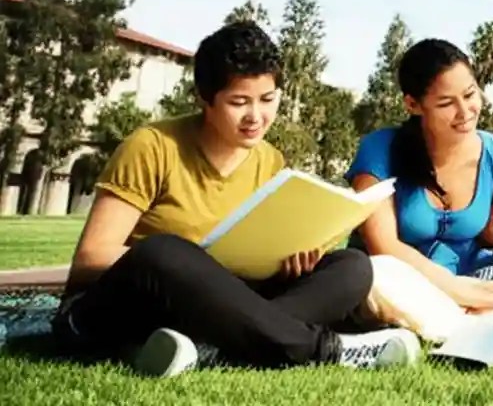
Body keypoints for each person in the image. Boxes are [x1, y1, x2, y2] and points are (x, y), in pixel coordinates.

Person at [52, 22, 419, 377]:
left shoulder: (269, 159)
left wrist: (291, 260)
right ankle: (324, 349)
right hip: (122, 310)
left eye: (268, 99)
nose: (256, 117)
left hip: (214, 310)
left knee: (351, 266)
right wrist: (199, 267)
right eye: (239, 102)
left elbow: (259, 253)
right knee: (165, 252)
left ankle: (207, 350)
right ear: (205, 98)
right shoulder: (152, 146)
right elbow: (92, 257)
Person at [346, 38, 493, 334]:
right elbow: (383, 245)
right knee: (377, 280)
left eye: (470, 94)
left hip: (470, 278)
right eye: (446, 103)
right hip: (399, 282)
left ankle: (479, 316)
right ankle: (464, 320)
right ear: (413, 104)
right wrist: (453, 288)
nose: (465, 111)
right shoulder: (381, 149)